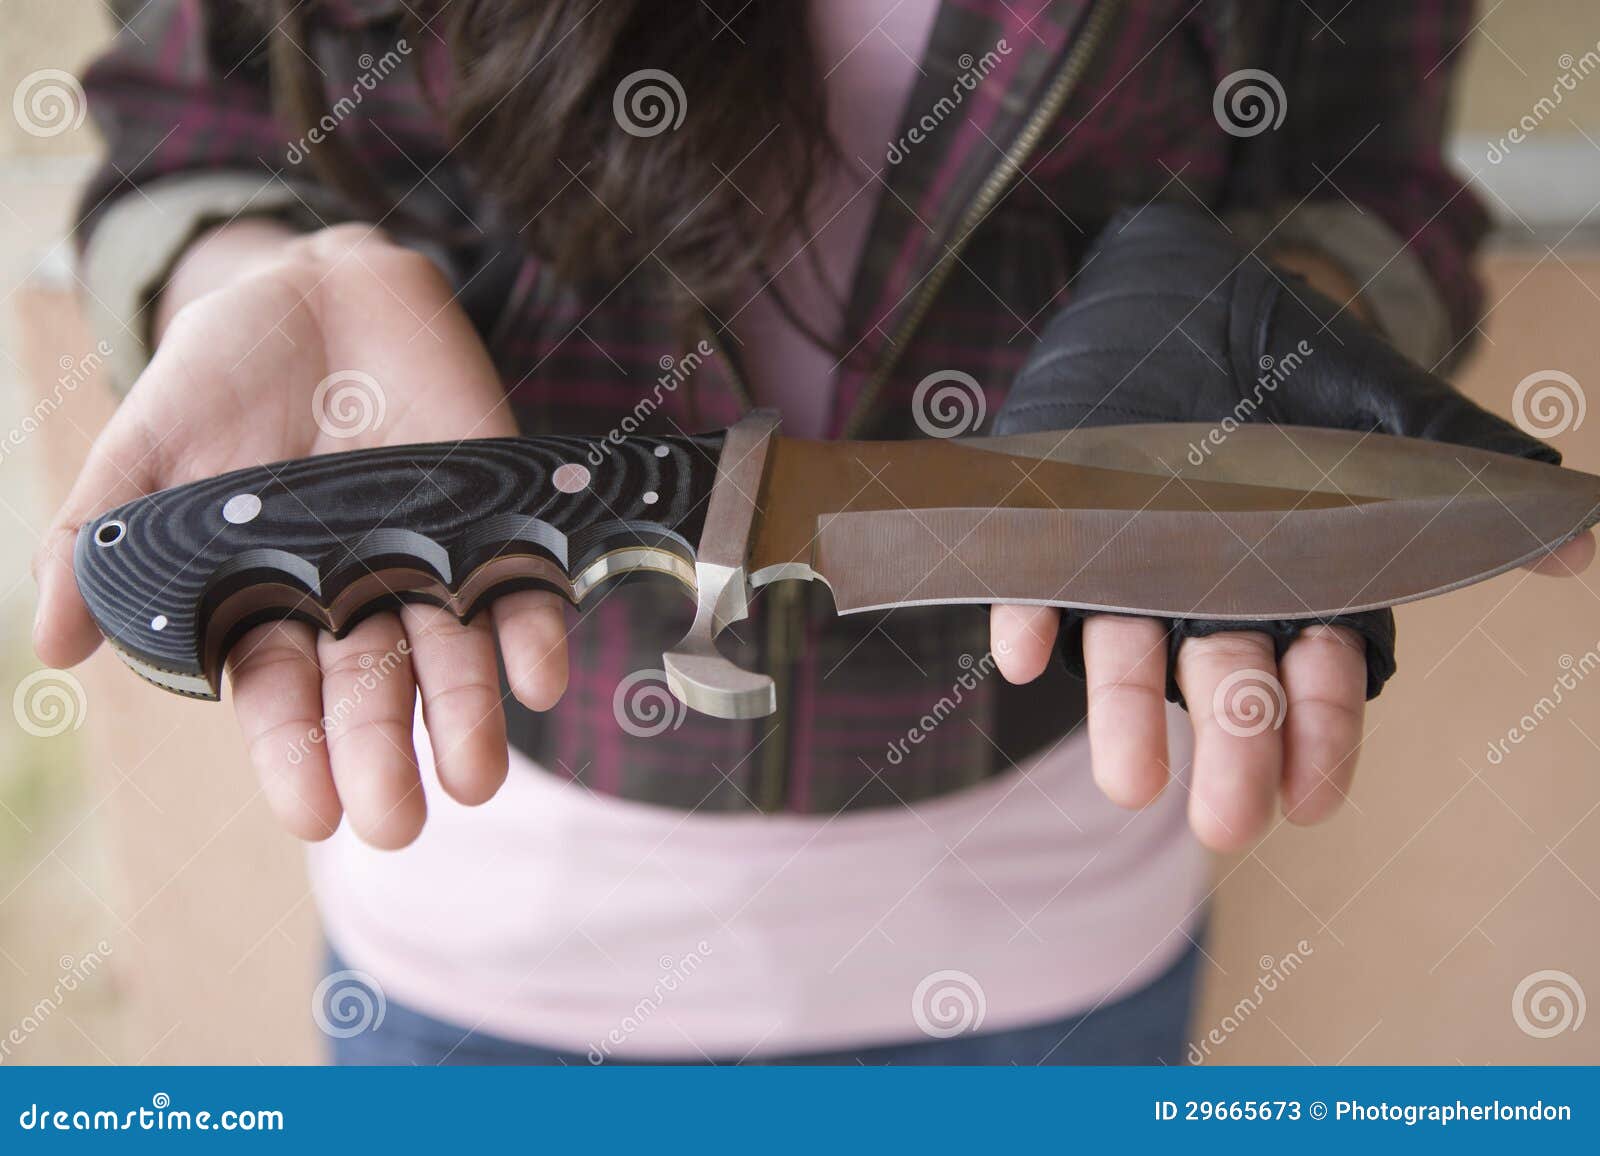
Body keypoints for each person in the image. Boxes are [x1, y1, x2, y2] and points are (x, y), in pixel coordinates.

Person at [36, 0, 1594, 1065]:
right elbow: (197, 117)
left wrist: (1278, 324)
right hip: (484, 936)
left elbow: (1375, 170)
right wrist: (241, 270)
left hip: (1056, 929)